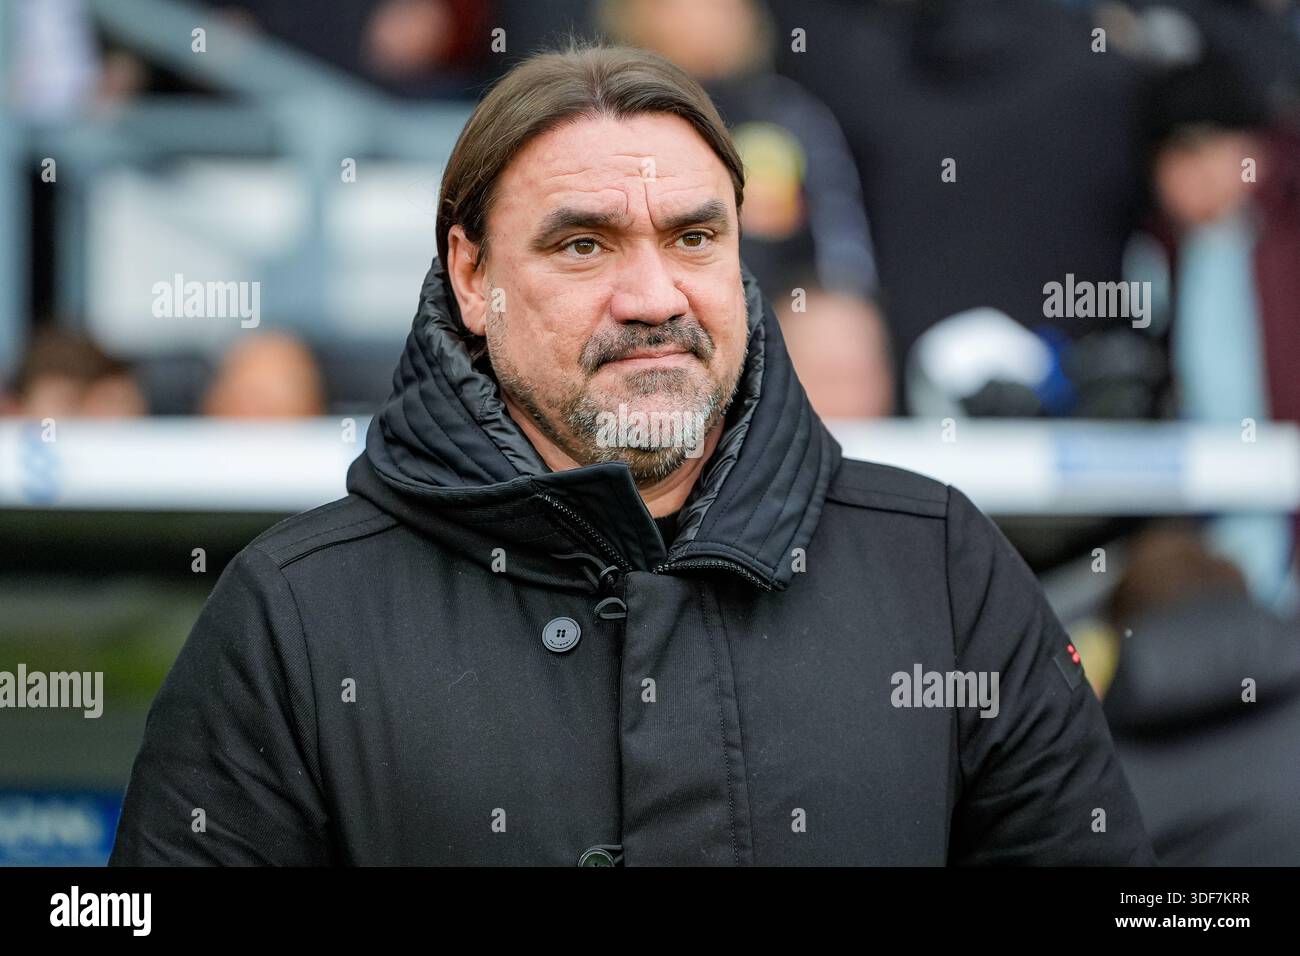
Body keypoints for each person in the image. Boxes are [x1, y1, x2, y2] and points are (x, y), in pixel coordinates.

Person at [109, 43, 1154, 866]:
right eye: (584, 244)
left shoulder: (939, 570)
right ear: (472, 278)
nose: (655, 297)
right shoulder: (295, 616)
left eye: (695, 237)